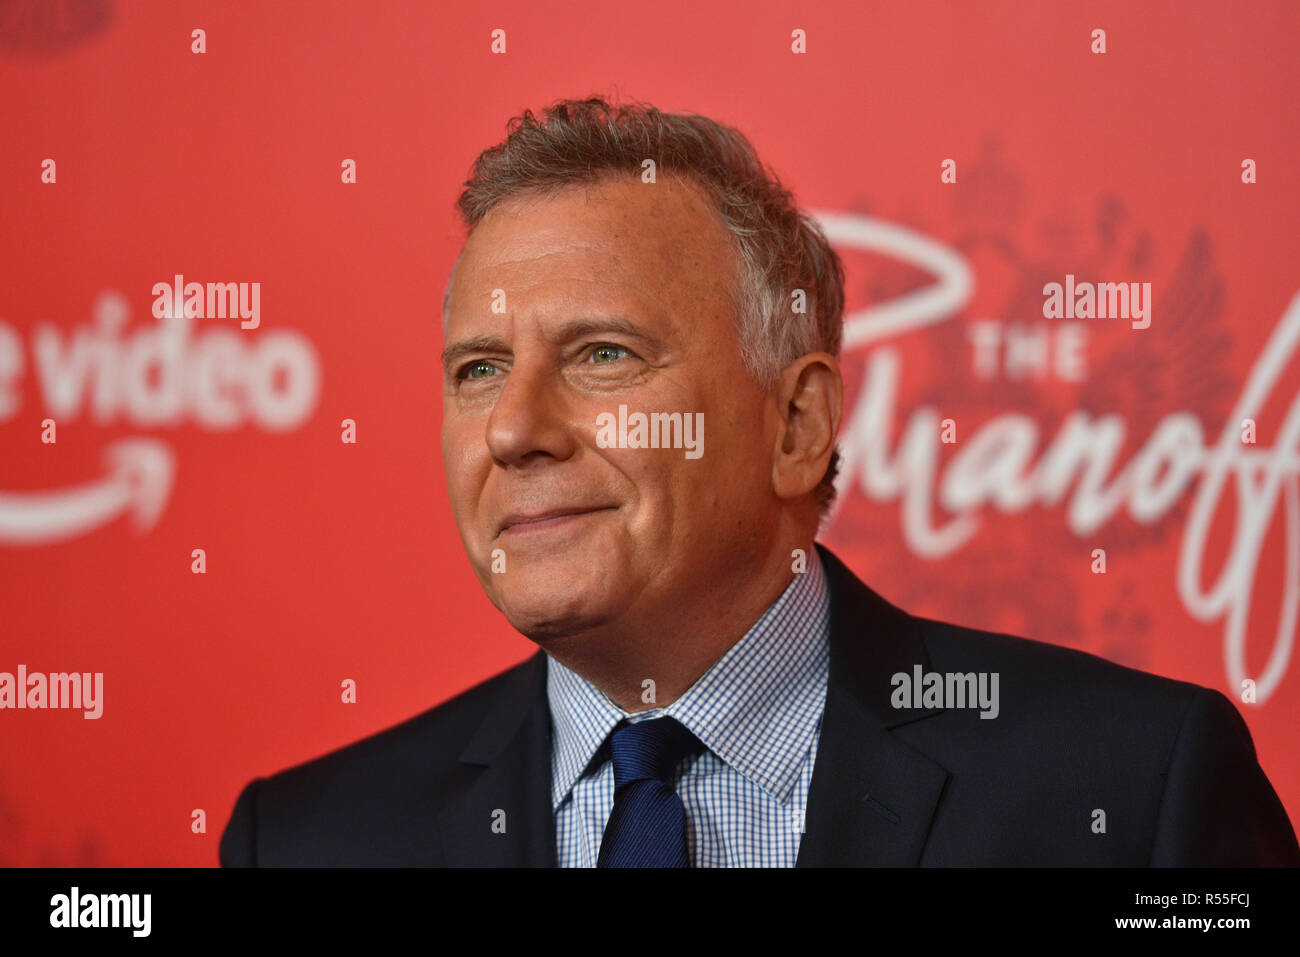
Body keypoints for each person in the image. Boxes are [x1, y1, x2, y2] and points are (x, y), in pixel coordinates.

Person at [220, 97, 1298, 867]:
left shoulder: (1128, 792)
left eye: (602, 355)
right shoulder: (314, 838)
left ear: (796, 423)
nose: (511, 429)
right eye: (478, 370)